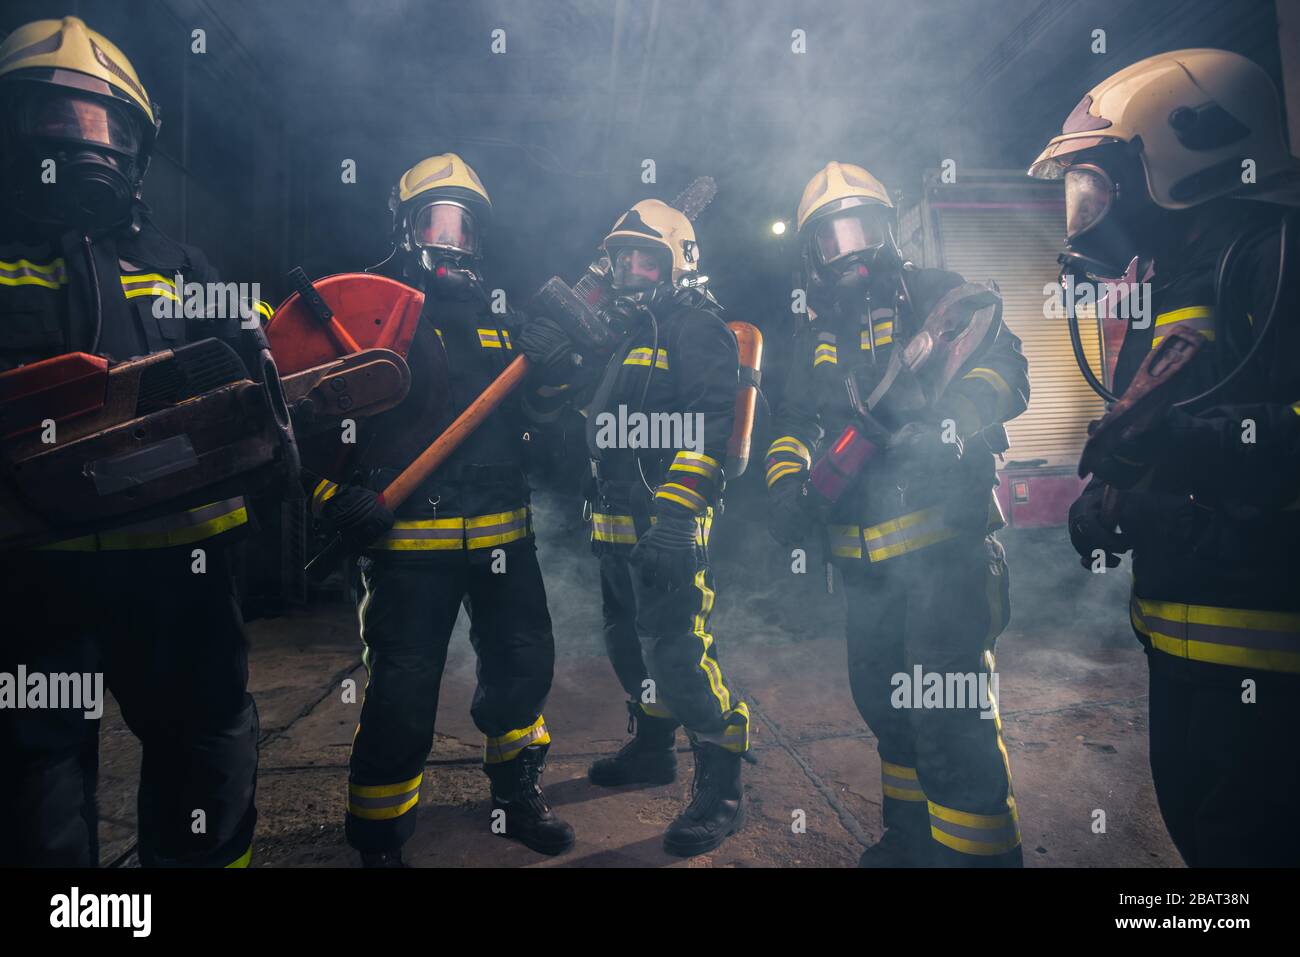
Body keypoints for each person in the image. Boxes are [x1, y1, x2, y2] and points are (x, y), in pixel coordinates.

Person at [0, 16, 269, 867]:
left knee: (208, 755)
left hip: (181, 576)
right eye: (57, 116)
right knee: (33, 782)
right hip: (32, 579)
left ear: (138, 151)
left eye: (109, 126)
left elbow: (268, 373)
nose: (88, 146)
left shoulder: (185, 264)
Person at [1031, 49, 1300, 866]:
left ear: (1184, 151)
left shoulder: (1276, 256)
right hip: (1179, 639)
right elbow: (1159, 426)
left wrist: (1179, 444)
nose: (1087, 212)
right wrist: (1110, 498)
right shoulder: (1172, 278)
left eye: (1098, 182)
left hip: (1270, 655)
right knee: (1205, 842)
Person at [765, 162, 1029, 866]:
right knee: (888, 709)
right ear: (813, 255)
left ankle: (980, 861)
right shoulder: (816, 336)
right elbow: (792, 424)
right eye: (834, 238)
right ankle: (913, 843)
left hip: (946, 555)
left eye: (864, 230)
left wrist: (950, 429)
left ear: (890, 231)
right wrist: (790, 487)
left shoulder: (940, 297)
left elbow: (1006, 370)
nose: (852, 251)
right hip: (866, 571)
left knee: (950, 718)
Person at [317, 153, 574, 866]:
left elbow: (544, 417)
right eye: (437, 220)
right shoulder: (368, 308)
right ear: (405, 228)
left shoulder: (502, 315)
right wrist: (337, 495)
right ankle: (379, 838)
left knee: (522, 670)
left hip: (503, 536)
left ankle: (517, 795)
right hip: (407, 544)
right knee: (402, 697)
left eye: (464, 225)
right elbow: (309, 428)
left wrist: (555, 371)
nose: (452, 237)